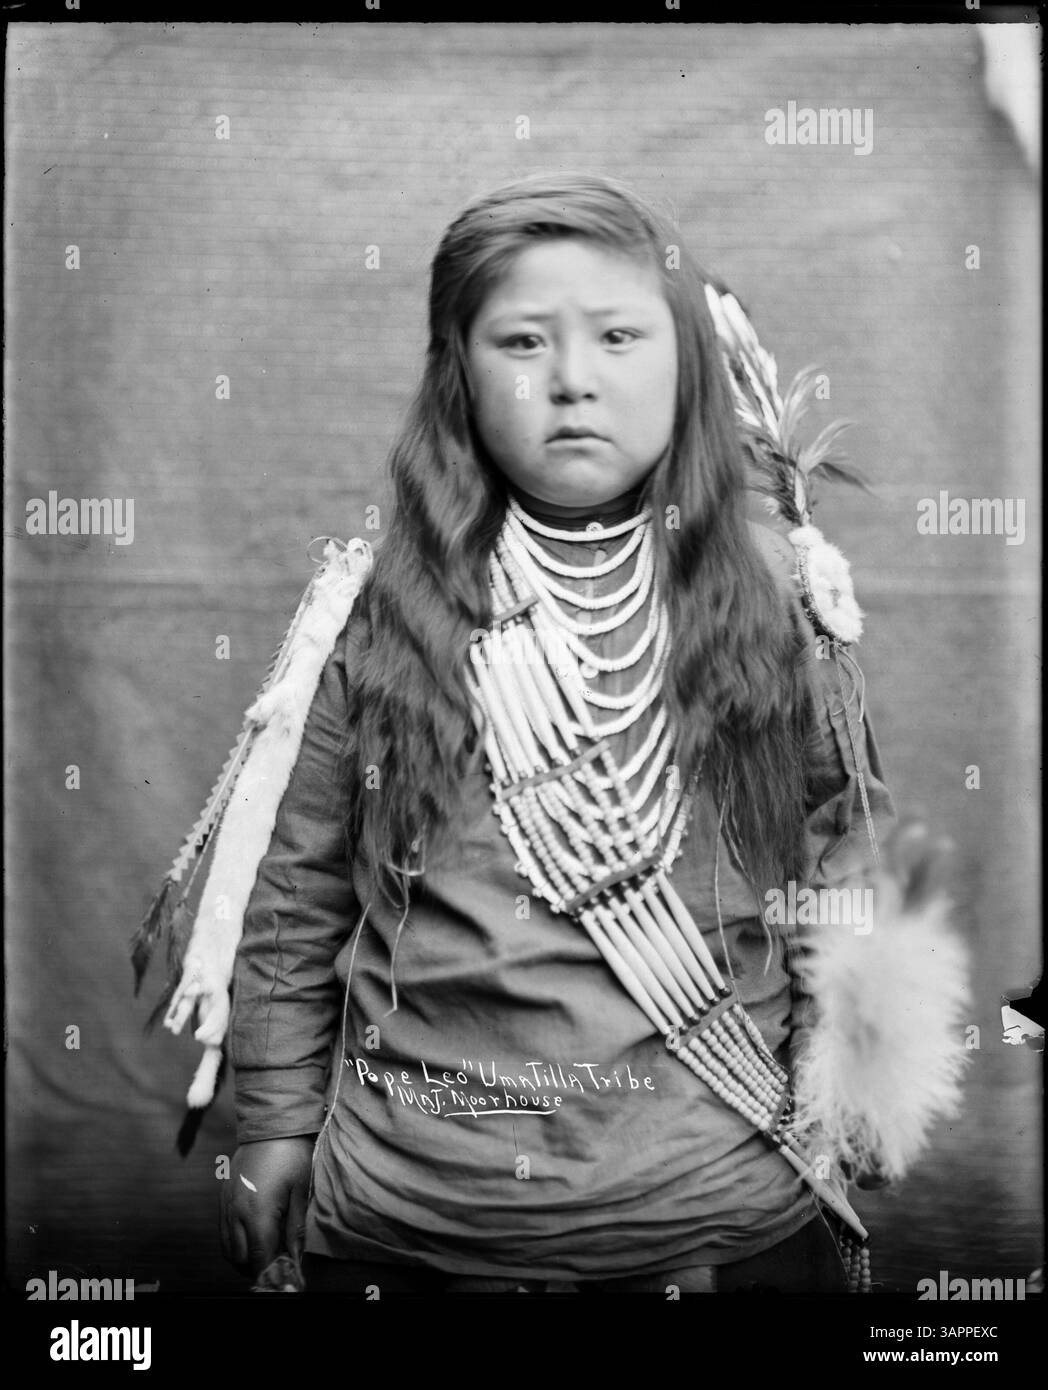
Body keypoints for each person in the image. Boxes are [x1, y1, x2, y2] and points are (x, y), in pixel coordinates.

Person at [218, 172, 900, 1295]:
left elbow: (849, 851)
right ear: (459, 375)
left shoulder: (781, 601)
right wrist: (277, 1123)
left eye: (620, 336)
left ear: (686, 369)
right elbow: (301, 894)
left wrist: (849, 1076)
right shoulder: (382, 611)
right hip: (423, 1202)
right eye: (522, 341)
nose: (573, 381)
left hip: (712, 1190)